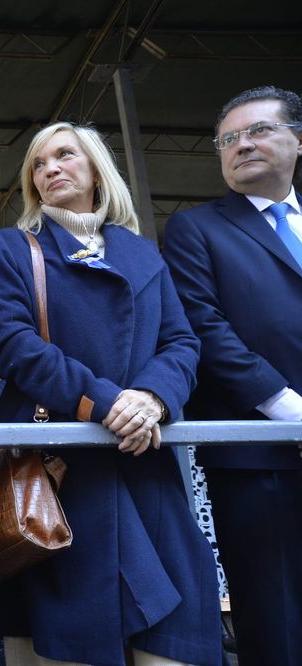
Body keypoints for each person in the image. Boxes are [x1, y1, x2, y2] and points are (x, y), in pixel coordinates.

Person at [0, 121, 222, 665]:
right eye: (39, 164)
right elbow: (13, 344)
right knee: (69, 633)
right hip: (58, 471)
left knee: (177, 622)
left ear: (96, 170)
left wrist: (152, 398)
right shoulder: (13, 247)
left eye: (65, 155)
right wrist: (106, 403)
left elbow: (181, 342)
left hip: (141, 460)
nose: (50, 169)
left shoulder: (143, 253)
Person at [162, 85, 302, 665]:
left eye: (259, 130)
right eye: (228, 139)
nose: (242, 145)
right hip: (259, 454)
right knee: (277, 618)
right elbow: (205, 328)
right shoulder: (195, 228)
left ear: (298, 140)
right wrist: (290, 411)